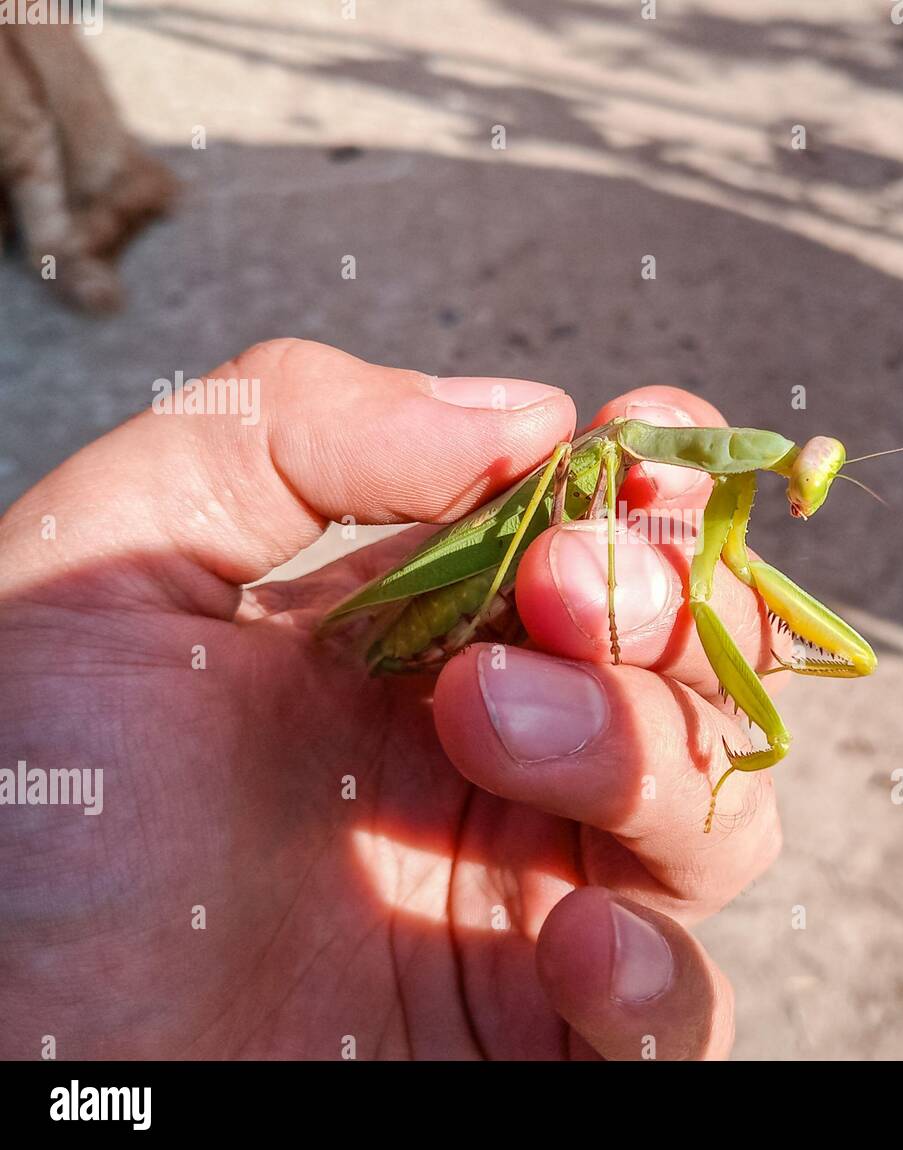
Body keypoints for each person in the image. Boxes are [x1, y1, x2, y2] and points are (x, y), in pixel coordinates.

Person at [0, 339, 784, 1061]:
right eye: (798, 473)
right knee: (626, 591)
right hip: (457, 598)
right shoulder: (616, 457)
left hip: (467, 663)